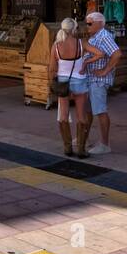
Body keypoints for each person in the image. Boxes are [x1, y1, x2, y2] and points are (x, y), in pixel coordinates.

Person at [81, 11, 122, 155]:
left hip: (98, 80)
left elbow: (117, 54)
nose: (87, 26)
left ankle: (105, 144)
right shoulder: (95, 36)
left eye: (90, 23)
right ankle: (84, 138)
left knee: (100, 111)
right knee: (89, 111)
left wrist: (105, 70)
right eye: (86, 23)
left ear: (99, 23)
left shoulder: (104, 36)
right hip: (91, 79)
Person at [48, 17, 90, 158]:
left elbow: (52, 68)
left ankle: (67, 147)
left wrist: (51, 83)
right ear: (74, 29)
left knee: (63, 116)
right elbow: (99, 53)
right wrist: (85, 63)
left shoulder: (56, 46)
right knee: (81, 116)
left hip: (63, 83)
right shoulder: (81, 43)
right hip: (80, 82)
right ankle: (81, 150)